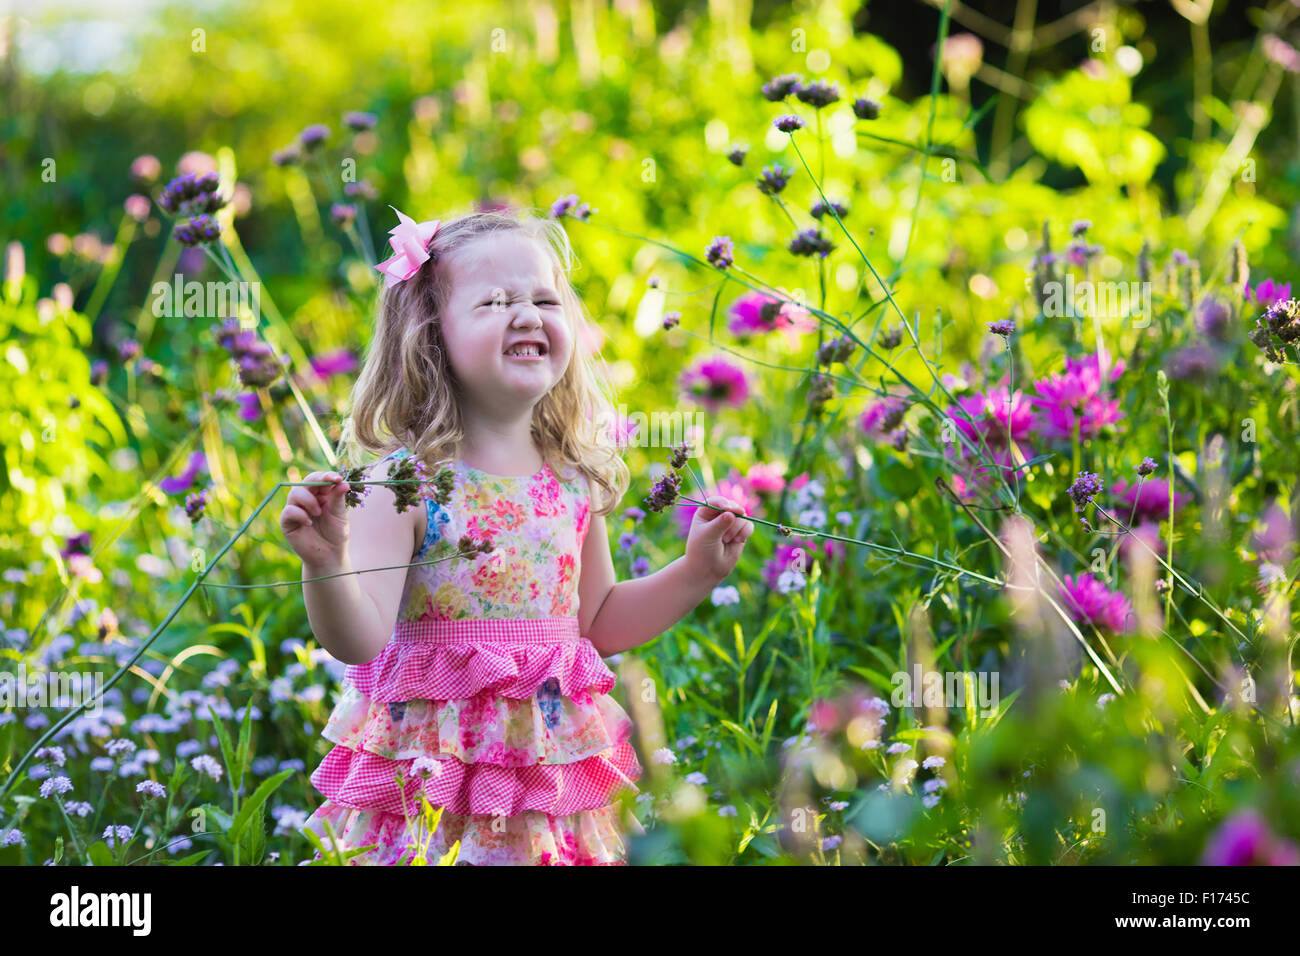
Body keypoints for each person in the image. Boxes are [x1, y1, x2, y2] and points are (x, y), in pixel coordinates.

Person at [279, 204, 753, 864]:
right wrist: (327, 562)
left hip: (544, 786)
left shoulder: (572, 481)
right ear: (430, 334)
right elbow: (357, 638)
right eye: (496, 301)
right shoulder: (404, 484)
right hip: (432, 789)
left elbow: (600, 620)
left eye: (544, 299)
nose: (528, 315)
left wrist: (695, 573)